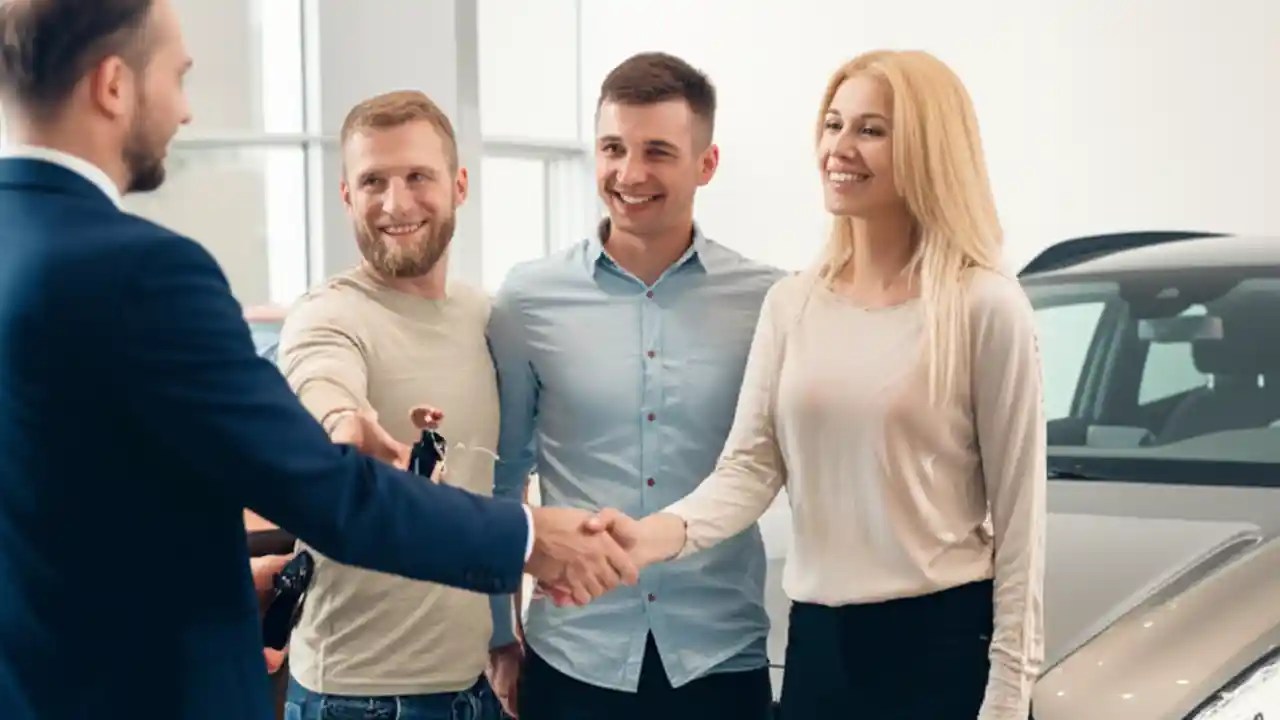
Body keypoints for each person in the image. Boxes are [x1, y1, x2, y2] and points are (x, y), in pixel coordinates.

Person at [0, 2, 635, 719]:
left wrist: (223, 579)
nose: (184, 111)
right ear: (114, 85)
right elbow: (330, 485)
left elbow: (57, 506)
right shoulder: (143, 270)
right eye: (178, 76)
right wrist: (528, 537)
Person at [580, 49, 1047, 719]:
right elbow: (749, 468)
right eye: (833, 124)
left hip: (940, 645)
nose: (839, 148)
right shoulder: (793, 303)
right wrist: (646, 537)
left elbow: (1023, 523)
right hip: (819, 647)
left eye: (871, 129)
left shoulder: (985, 306)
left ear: (927, 147)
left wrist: (1007, 695)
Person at [486, 52, 783, 720]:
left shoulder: (768, 301)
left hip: (719, 659)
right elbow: (505, 476)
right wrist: (500, 632)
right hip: (574, 657)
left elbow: (778, 467)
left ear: (706, 164)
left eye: (658, 151)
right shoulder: (528, 300)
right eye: (613, 148)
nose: (630, 174)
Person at [276, 90, 517, 720]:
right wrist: (340, 421)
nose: (395, 203)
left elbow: (486, 487)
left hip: (470, 682)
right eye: (373, 181)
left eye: (418, 177)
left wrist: (501, 638)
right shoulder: (328, 313)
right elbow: (318, 373)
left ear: (459, 185)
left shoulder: (482, 315)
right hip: (357, 697)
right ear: (346, 195)